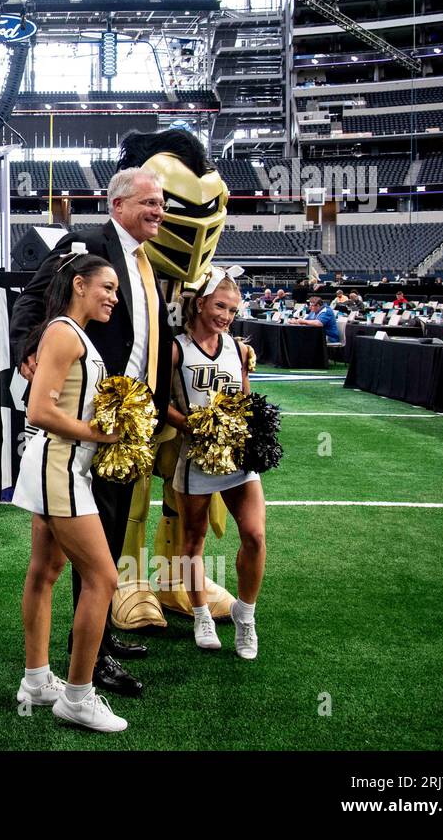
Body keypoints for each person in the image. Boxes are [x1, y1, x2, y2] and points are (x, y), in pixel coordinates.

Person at [10, 166, 172, 697]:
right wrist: (28, 351)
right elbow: (33, 297)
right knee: (91, 555)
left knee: (91, 542)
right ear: (118, 204)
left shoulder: (149, 264)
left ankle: (84, 652)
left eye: (163, 202)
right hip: (84, 434)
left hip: (125, 425)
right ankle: (89, 671)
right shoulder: (87, 244)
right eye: (149, 201)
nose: (159, 210)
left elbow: (150, 338)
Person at [13, 250, 128, 733]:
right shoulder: (62, 332)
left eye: (118, 292)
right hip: (60, 465)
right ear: (79, 284)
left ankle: (37, 681)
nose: (114, 299)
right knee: (103, 580)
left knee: (46, 570)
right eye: (107, 288)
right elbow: (38, 410)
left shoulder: (71, 333)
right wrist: (99, 433)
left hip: (57, 464)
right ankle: (78, 697)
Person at [165, 269, 267, 659]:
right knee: (193, 540)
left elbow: (245, 399)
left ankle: (246, 615)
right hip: (195, 457)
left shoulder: (238, 350)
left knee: (255, 536)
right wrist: (192, 424)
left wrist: (243, 427)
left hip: (236, 455)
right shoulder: (177, 349)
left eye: (233, 310)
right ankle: (201, 613)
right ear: (201, 302)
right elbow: (159, 404)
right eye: (220, 306)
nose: (226, 315)